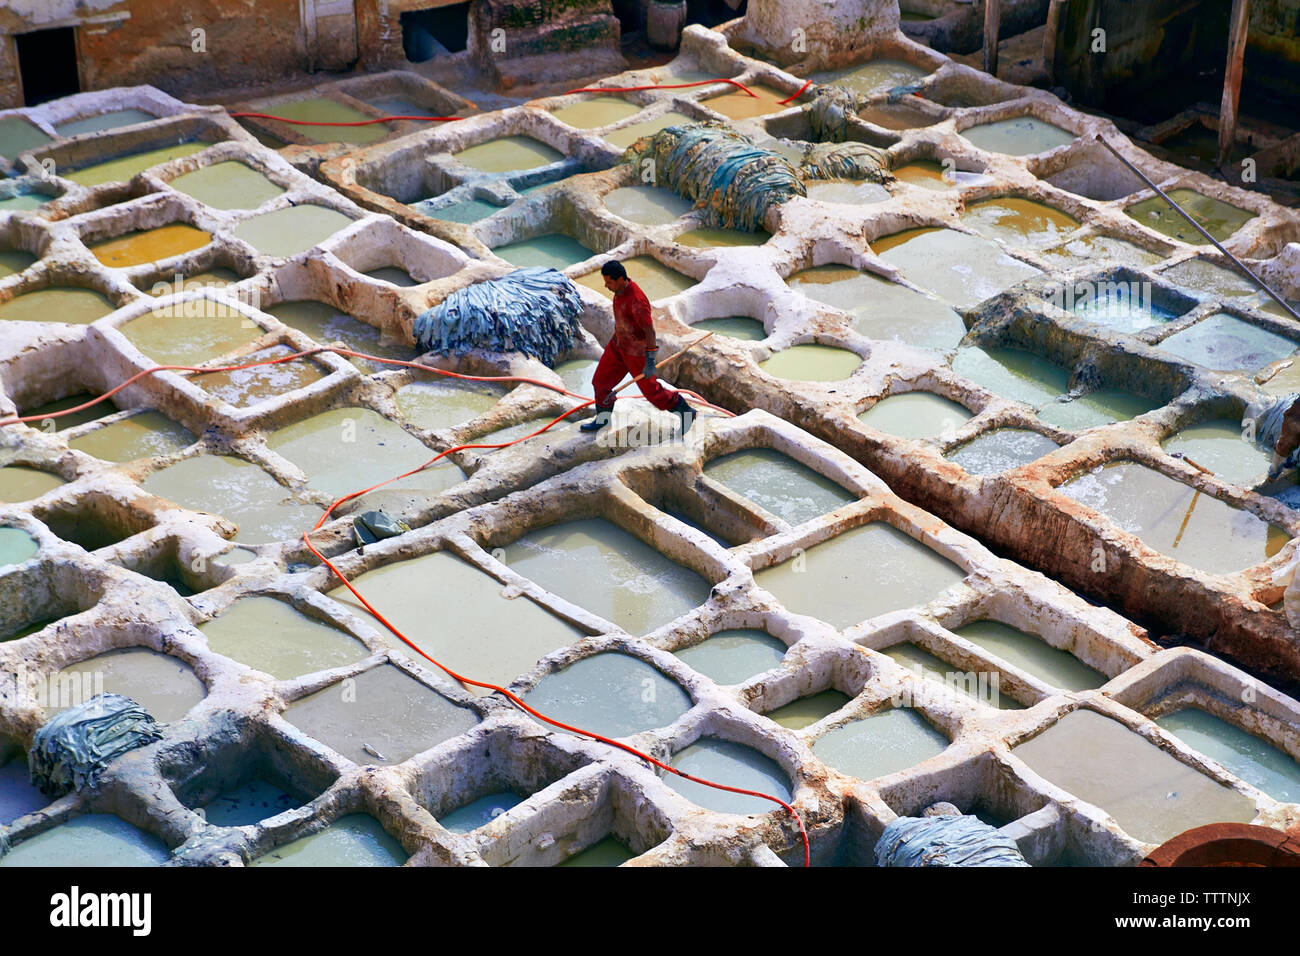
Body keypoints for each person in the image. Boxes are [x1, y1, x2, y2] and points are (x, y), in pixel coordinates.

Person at [579, 260, 697, 434]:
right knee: (600, 382)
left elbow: (650, 332)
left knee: (652, 393)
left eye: (609, 282)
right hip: (618, 345)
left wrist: (649, 361)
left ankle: (686, 412)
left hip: (636, 353)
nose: (606, 286)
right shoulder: (619, 290)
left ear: (620, 279)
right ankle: (603, 420)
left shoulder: (637, 301)